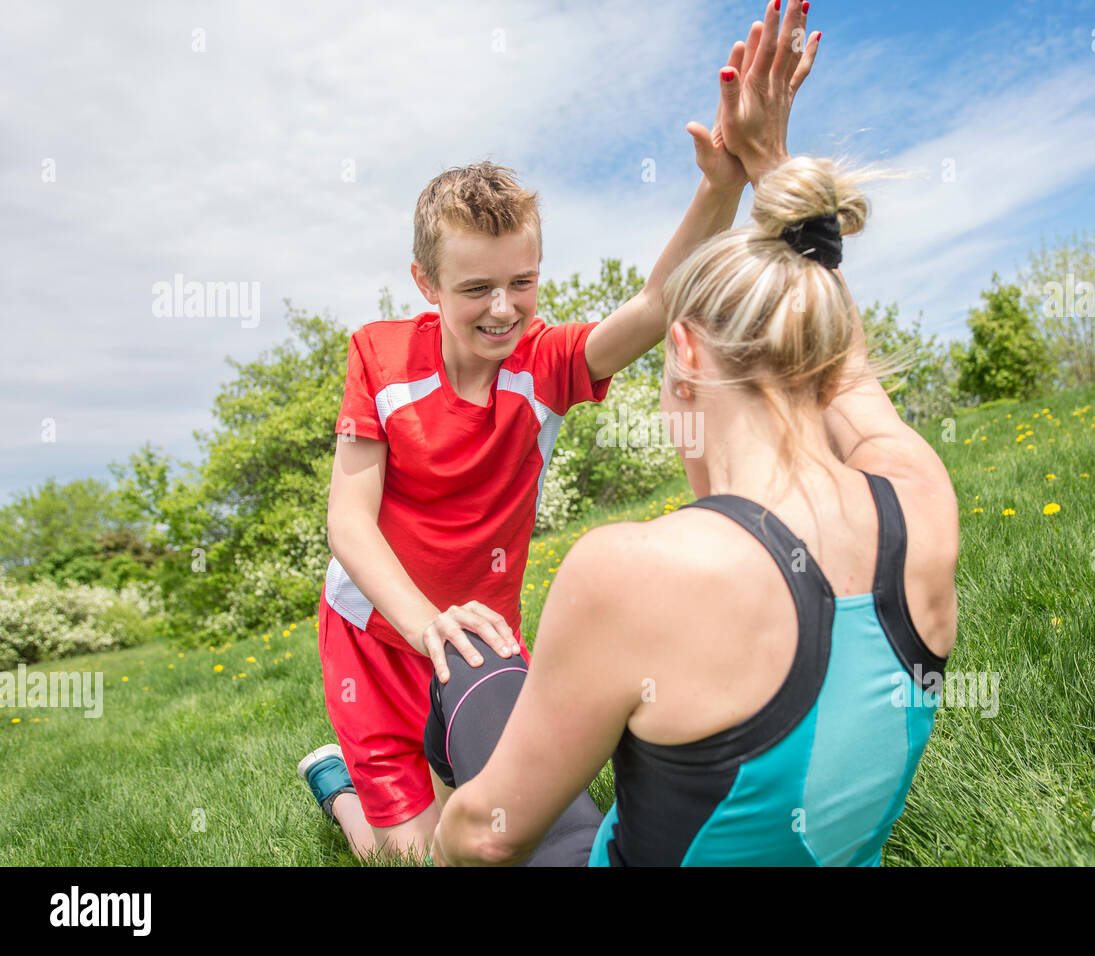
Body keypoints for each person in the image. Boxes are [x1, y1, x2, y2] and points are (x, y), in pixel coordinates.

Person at [298, 0, 822, 861]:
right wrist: (424, 624)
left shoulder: (545, 365)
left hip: (483, 639)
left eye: (523, 282)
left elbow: (658, 305)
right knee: (415, 852)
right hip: (374, 632)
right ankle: (340, 784)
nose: (503, 308)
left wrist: (722, 180)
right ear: (426, 283)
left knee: (515, 820)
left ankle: (441, 754)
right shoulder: (380, 358)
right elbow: (349, 522)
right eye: (476, 289)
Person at [425, 143, 960, 864]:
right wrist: (780, 178)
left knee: (471, 658)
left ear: (686, 349)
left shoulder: (629, 570)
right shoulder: (921, 505)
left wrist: (450, 838)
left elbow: (488, 842)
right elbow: (857, 382)